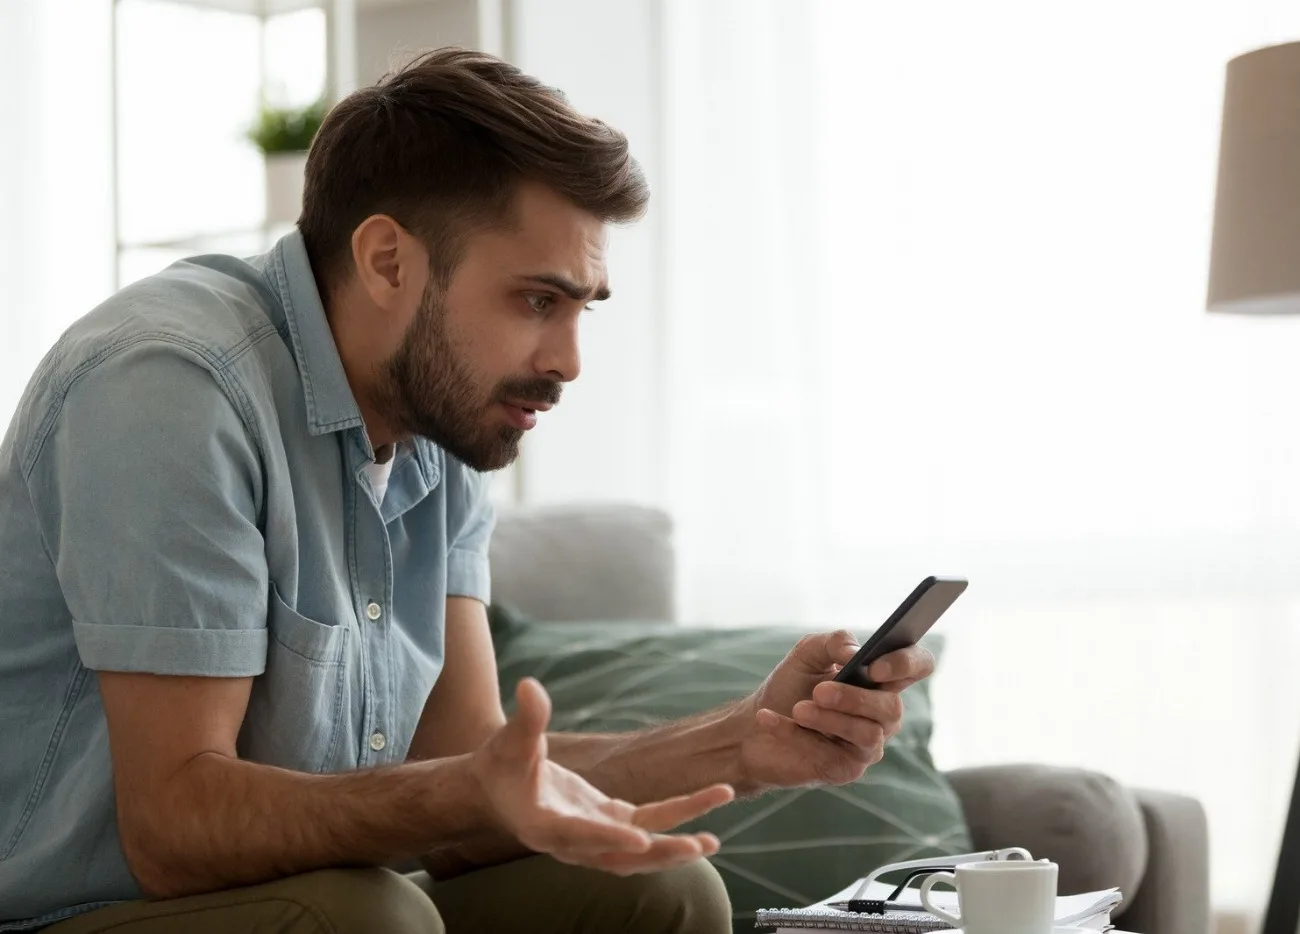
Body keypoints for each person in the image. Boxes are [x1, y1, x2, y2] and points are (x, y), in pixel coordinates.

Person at [0, 48, 934, 934]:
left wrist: (747, 739)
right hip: (79, 909)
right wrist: (461, 791)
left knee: (659, 894)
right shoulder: (169, 387)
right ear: (387, 261)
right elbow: (173, 830)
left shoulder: (441, 419)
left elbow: (474, 778)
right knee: (372, 916)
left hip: (310, 902)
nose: (567, 362)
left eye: (581, 309)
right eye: (536, 300)